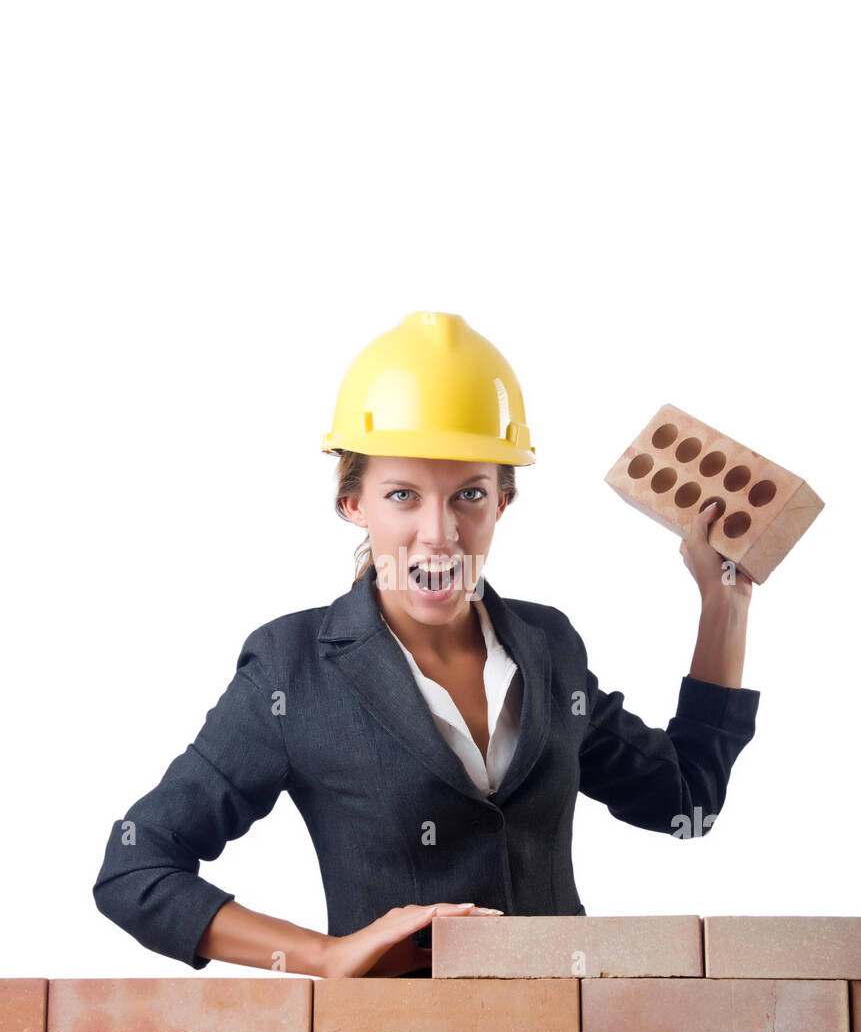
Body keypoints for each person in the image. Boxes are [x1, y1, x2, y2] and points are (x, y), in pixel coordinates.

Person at [93, 310, 760, 979]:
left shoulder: (548, 646)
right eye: (402, 495)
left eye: (468, 493)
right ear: (354, 503)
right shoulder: (293, 669)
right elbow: (136, 868)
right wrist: (323, 955)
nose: (438, 534)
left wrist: (721, 604)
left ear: (503, 500)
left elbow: (685, 802)